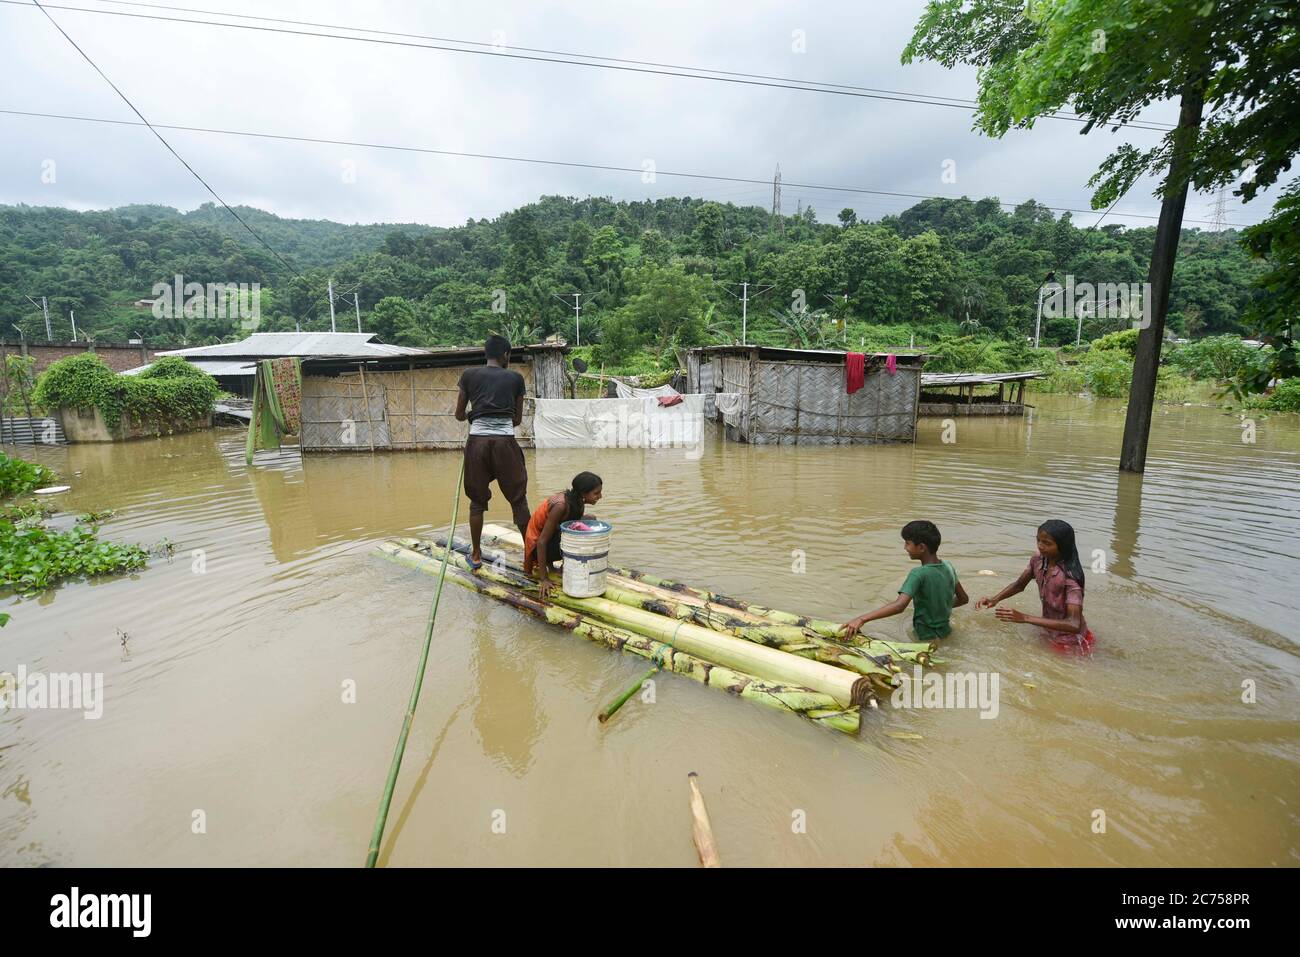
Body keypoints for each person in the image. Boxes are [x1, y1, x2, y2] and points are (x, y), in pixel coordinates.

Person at [455, 335, 529, 569]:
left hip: (477, 444)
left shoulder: (468, 375)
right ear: (506, 354)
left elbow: (458, 415)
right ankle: (532, 556)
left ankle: (476, 555)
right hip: (505, 444)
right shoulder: (516, 379)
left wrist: (475, 415)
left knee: (477, 503)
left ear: (486, 353)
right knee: (518, 501)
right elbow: (516, 420)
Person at [975, 519, 1095, 652]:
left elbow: (1074, 624)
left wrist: (1024, 618)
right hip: (1047, 629)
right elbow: (1019, 585)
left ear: (1063, 545)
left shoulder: (1070, 577)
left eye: (1047, 543)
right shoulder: (1038, 560)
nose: (1040, 546)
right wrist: (994, 599)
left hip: (1070, 640)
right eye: (1038, 540)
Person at [840, 520, 968, 640]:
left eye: (907, 543)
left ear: (921, 547)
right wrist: (941, 607)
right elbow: (963, 599)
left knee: (916, 665)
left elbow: (899, 606)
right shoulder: (948, 566)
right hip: (946, 633)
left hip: (924, 637)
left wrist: (861, 619)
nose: (905, 547)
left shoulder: (918, 574)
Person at [523, 472, 603, 599]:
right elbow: (541, 542)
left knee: (591, 519)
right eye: (596, 493)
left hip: (552, 538)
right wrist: (544, 579)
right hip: (536, 548)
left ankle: (560, 566)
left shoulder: (577, 502)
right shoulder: (561, 506)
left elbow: (564, 527)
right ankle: (550, 566)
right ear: (583, 493)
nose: (600, 496)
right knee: (577, 535)